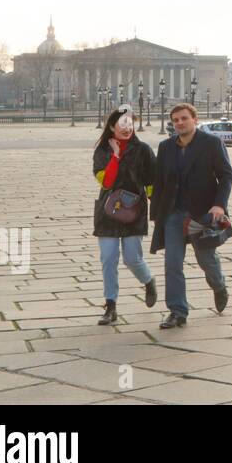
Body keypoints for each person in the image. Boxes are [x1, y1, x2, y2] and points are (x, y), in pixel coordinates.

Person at [150, 102, 232, 328]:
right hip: (173, 214)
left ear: (195, 120)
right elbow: (159, 182)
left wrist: (219, 205)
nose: (179, 123)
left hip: (202, 214)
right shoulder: (166, 147)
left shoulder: (211, 143)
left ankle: (219, 285)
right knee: (172, 264)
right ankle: (177, 311)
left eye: (184, 118)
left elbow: (226, 176)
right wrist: (156, 212)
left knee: (206, 260)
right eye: (175, 120)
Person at [92, 106, 157, 325]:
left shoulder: (144, 150)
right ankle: (110, 306)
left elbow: (152, 183)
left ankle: (148, 280)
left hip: (134, 211)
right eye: (122, 124)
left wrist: (156, 208)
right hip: (108, 211)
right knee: (108, 259)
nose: (127, 128)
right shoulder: (102, 151)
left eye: (130, 123)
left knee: (132, 258)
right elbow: (106, 182)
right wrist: (116, 156)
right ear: (112, 126)